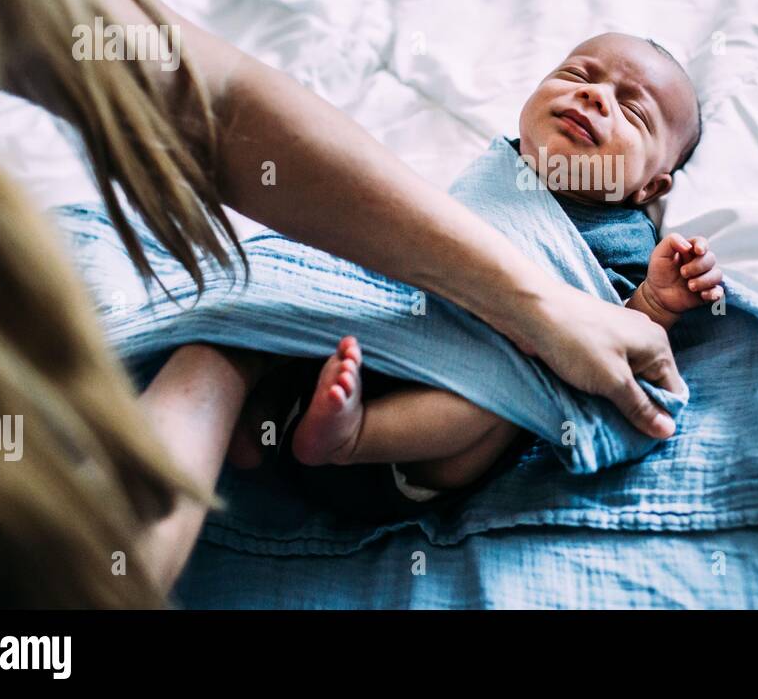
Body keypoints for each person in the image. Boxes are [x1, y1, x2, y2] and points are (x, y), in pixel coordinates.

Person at [0, 0, 684, 608]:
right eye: (579, 75)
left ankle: (333, 423)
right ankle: (339, 431)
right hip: (379, 357)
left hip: (446, 360)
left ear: (656, 183)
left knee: (489, 403)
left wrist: (562, 305)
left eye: (635, 109)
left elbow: (220, 102)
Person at [283, 33, 721, 499]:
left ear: (649, 190)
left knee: (513, 386)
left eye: (633, 113)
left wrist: (655, 301)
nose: (595, 95)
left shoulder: (627, 240)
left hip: (426, 448)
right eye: (577, 75)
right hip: (373, 334)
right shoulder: (500, 169)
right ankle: (263, 415)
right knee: (296, 262)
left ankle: (355, 437)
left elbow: (618, 347)